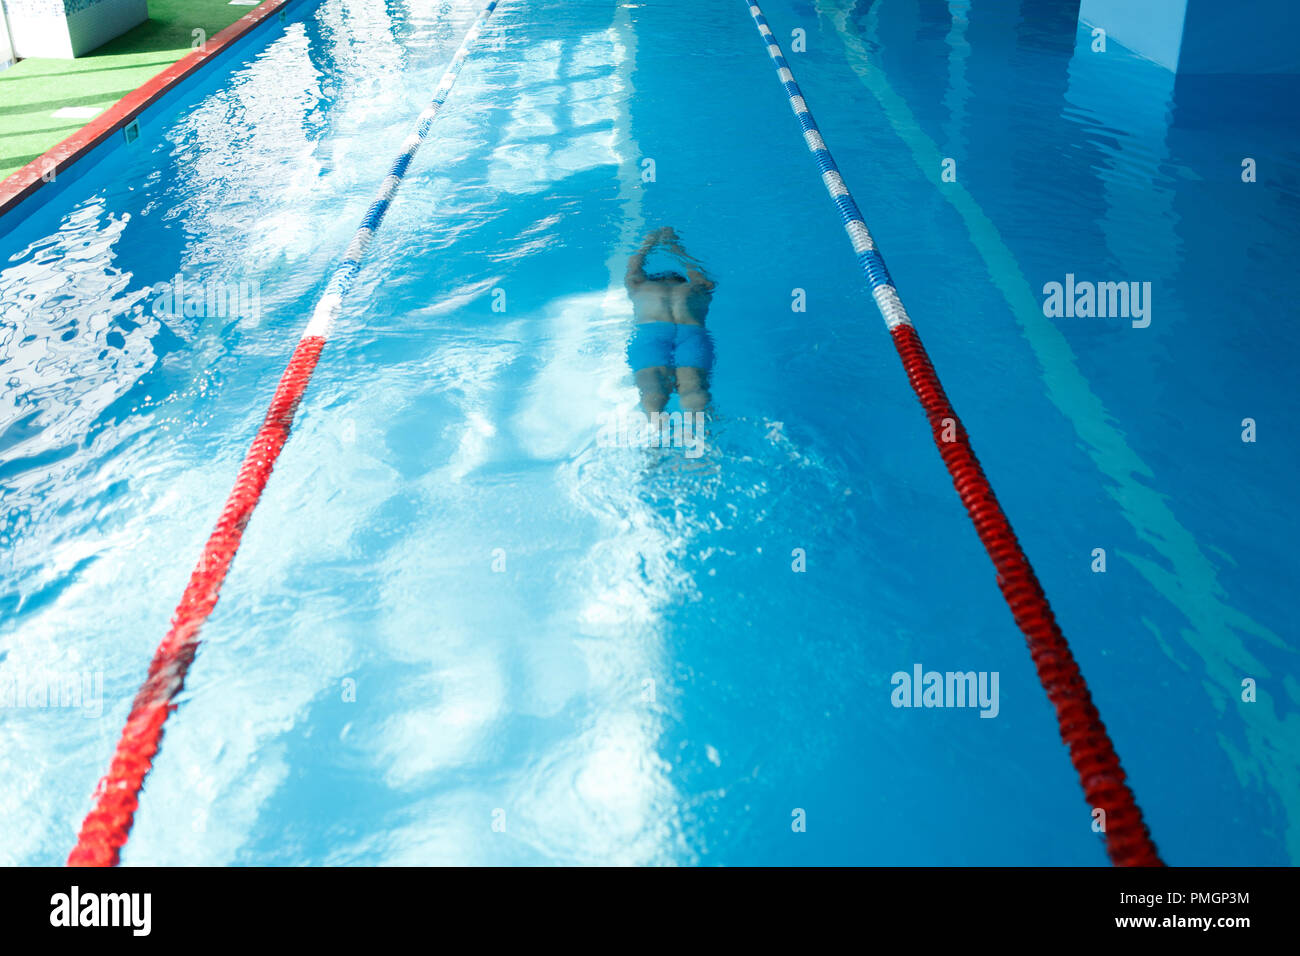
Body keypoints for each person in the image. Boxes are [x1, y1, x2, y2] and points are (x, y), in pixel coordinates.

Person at [624, 227, 715, 414]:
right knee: (694, 391)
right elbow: (697, 271)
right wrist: (675, 246)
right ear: (680, 279)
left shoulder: (641, 286)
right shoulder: (697, 288)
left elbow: (634, 264)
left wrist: (649, 241)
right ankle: (704, 436)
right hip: (692, 334)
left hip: (651, 335)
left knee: (652, 395)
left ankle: (656, 438)